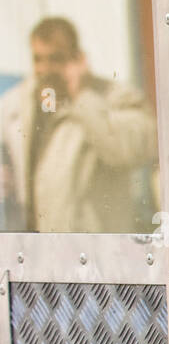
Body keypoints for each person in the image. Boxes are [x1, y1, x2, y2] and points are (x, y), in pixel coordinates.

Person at [0, 16, 157, 232]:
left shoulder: (115, 98)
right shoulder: (16, 103)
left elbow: (131, 150)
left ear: (76, 57)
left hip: (96, 250)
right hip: (38, 249)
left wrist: (81, 95)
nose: (45, 69)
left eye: (55, 59)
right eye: (38, 59)